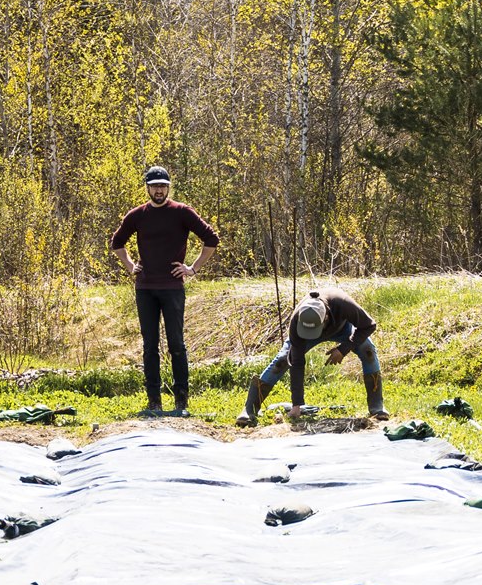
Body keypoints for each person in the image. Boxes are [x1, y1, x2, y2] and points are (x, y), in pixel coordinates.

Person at [109, 165, 219, 417]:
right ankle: (154, 402)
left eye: (163, 185)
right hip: (145, 288)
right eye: (154, 185)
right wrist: (129, 266)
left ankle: (181, 401)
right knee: (150, 346)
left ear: (169, 187)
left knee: (176, 345)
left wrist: (192, 268)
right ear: (147, 187)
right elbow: (117, 243)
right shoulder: (137, 215)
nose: (159, 189)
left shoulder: (182, 212)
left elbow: (211, 239)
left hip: (172, 289)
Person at [238, 288, 387, 425]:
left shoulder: (342, 303)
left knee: (368, 351)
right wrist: (297, 405)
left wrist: (343, 349)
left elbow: (369, 325)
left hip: (343, 330)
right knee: (282, 361)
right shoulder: (297, 319)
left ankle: (377, 406)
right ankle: (249, 409)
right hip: (304, 335)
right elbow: (297, 362)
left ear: (326, 317)